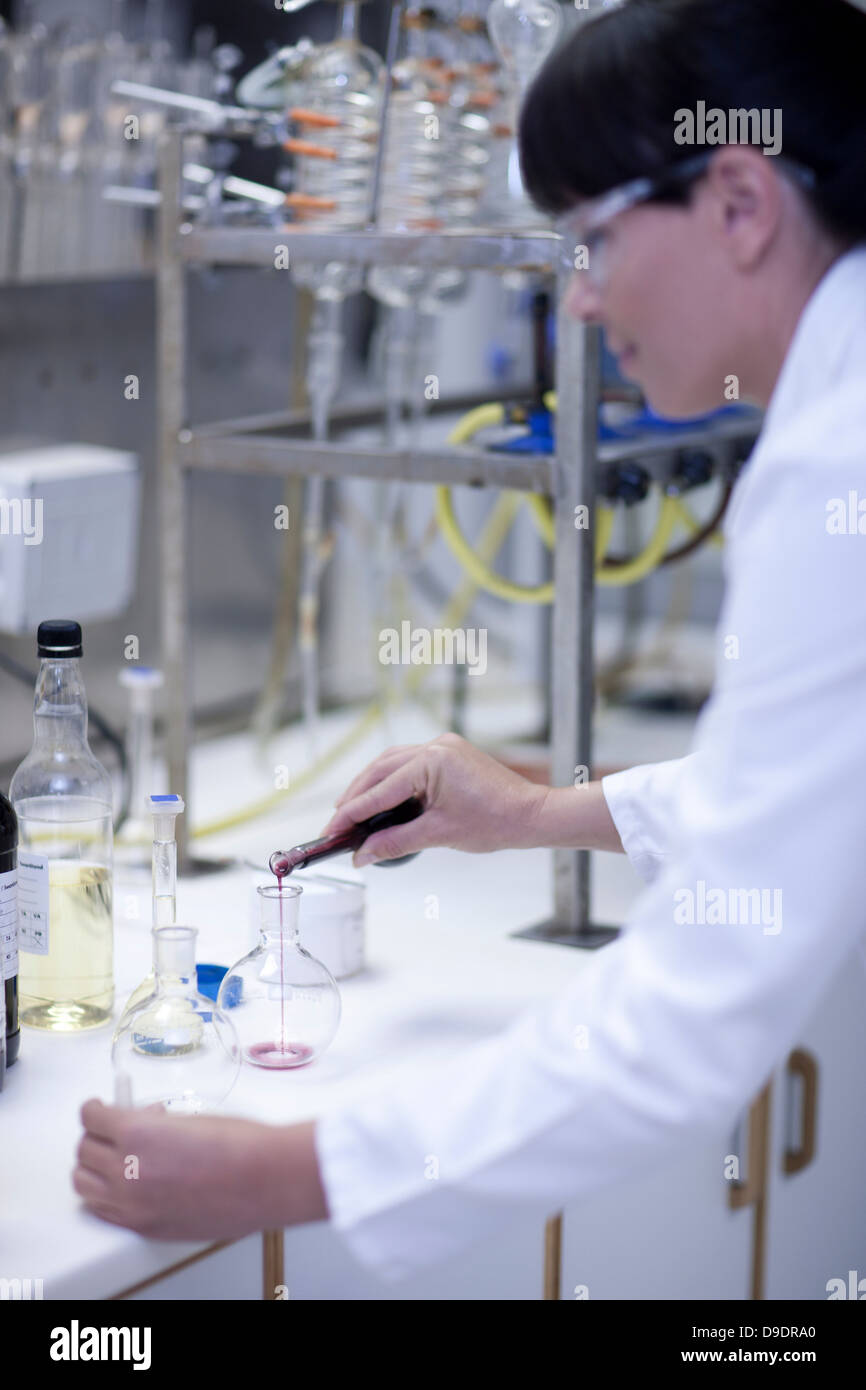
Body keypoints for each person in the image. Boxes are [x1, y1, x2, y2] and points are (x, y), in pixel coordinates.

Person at [74, 0, 866, 1285]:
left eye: (595, 242)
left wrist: (279, 1172)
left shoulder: (842, 453)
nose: (586, 304)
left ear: (736, 199)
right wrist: (529, 813)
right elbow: (815, 779)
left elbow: (691, 1010)